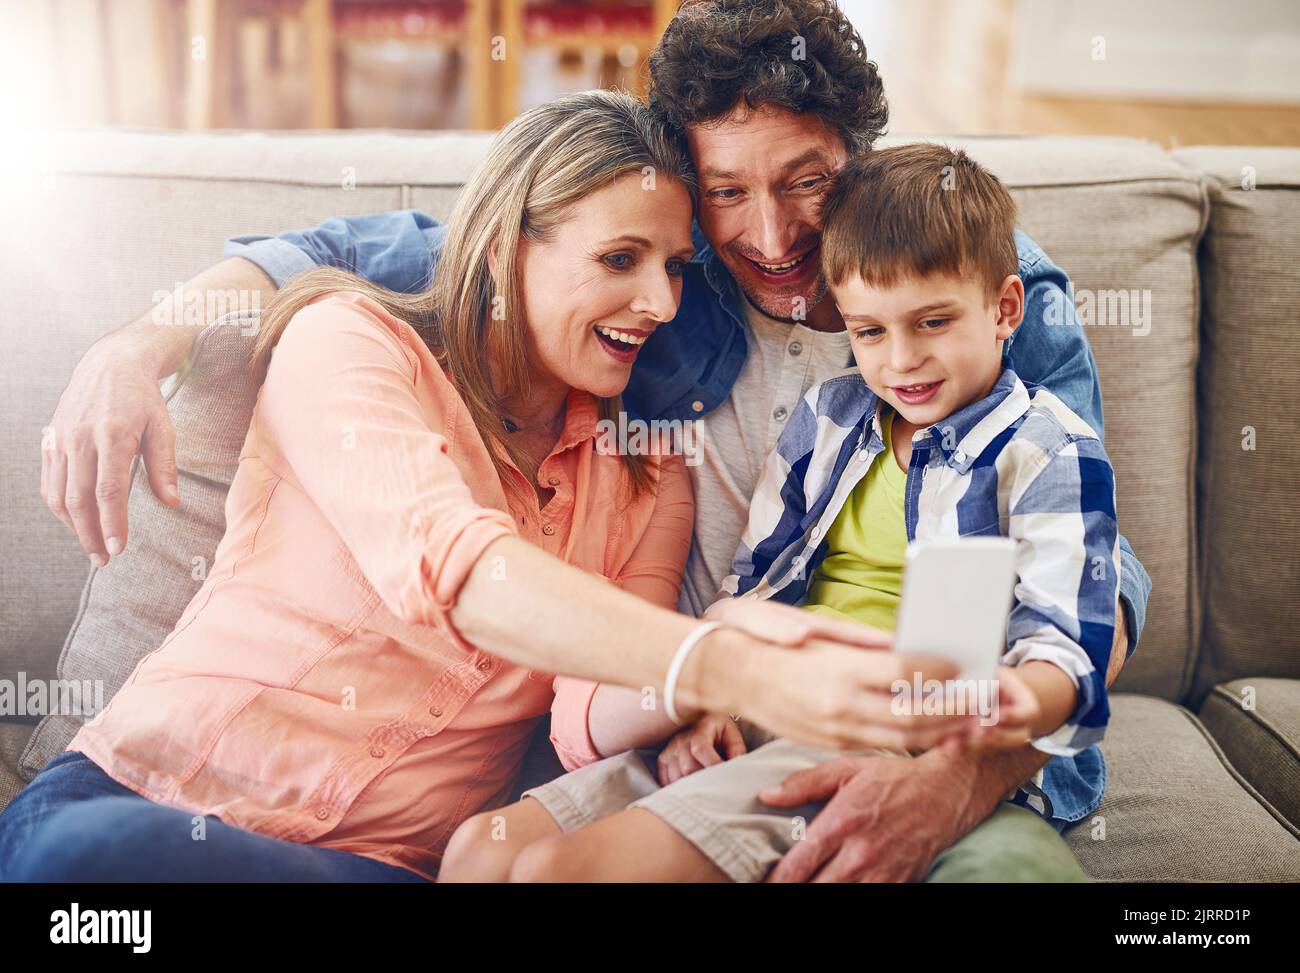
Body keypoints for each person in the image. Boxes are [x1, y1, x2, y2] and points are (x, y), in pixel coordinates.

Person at [40, 0, 1150, 881]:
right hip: (186, 803)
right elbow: (383, 247)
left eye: (807, 183)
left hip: (938, 729)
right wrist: (147, 337)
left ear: (856, 161)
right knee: (112, 866)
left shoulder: (983, 289)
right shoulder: (627, 301)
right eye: (724, 196)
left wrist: (951, 770)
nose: (767, 238)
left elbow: (1096, 580)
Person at [438, 143, 1121, 883]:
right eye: (869, 331)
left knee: (557, 873)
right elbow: (753, 586)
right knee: (482, 851)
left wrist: (1014, 698)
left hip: (869, 730)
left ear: (1006, 309)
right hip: (761, 702)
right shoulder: (829, 417)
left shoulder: (1048, 450)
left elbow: (1071, 642)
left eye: (932, 322)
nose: (902, 361)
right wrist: (714, 709)